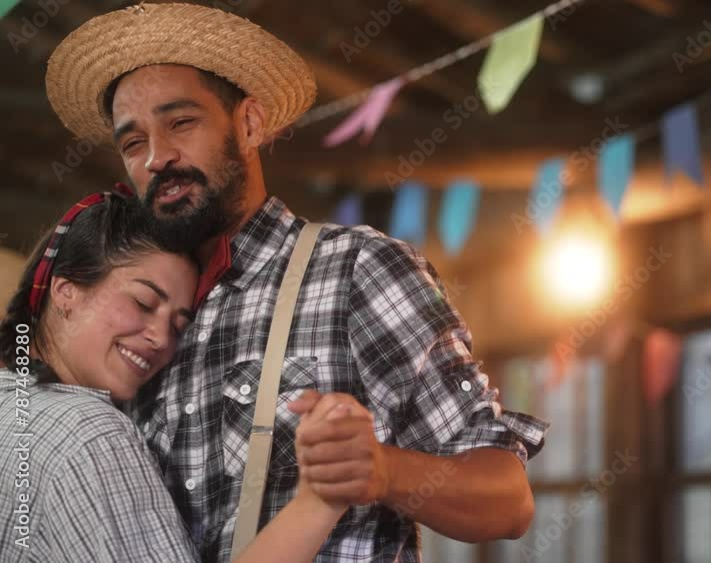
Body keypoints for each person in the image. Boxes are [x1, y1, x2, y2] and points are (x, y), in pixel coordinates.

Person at [45, 3, 549, 562]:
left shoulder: (357, 269)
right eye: (133, 143)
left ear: (249, 124)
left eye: (181, 123)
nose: (157, 158)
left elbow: (508, 502)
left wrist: (382, 470)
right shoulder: (132, 327)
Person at [0, 189, 356, 561]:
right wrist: (320, 499)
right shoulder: (90, 433)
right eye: (143, 303)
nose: (160, 338)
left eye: (177, 326)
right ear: (65, 291)